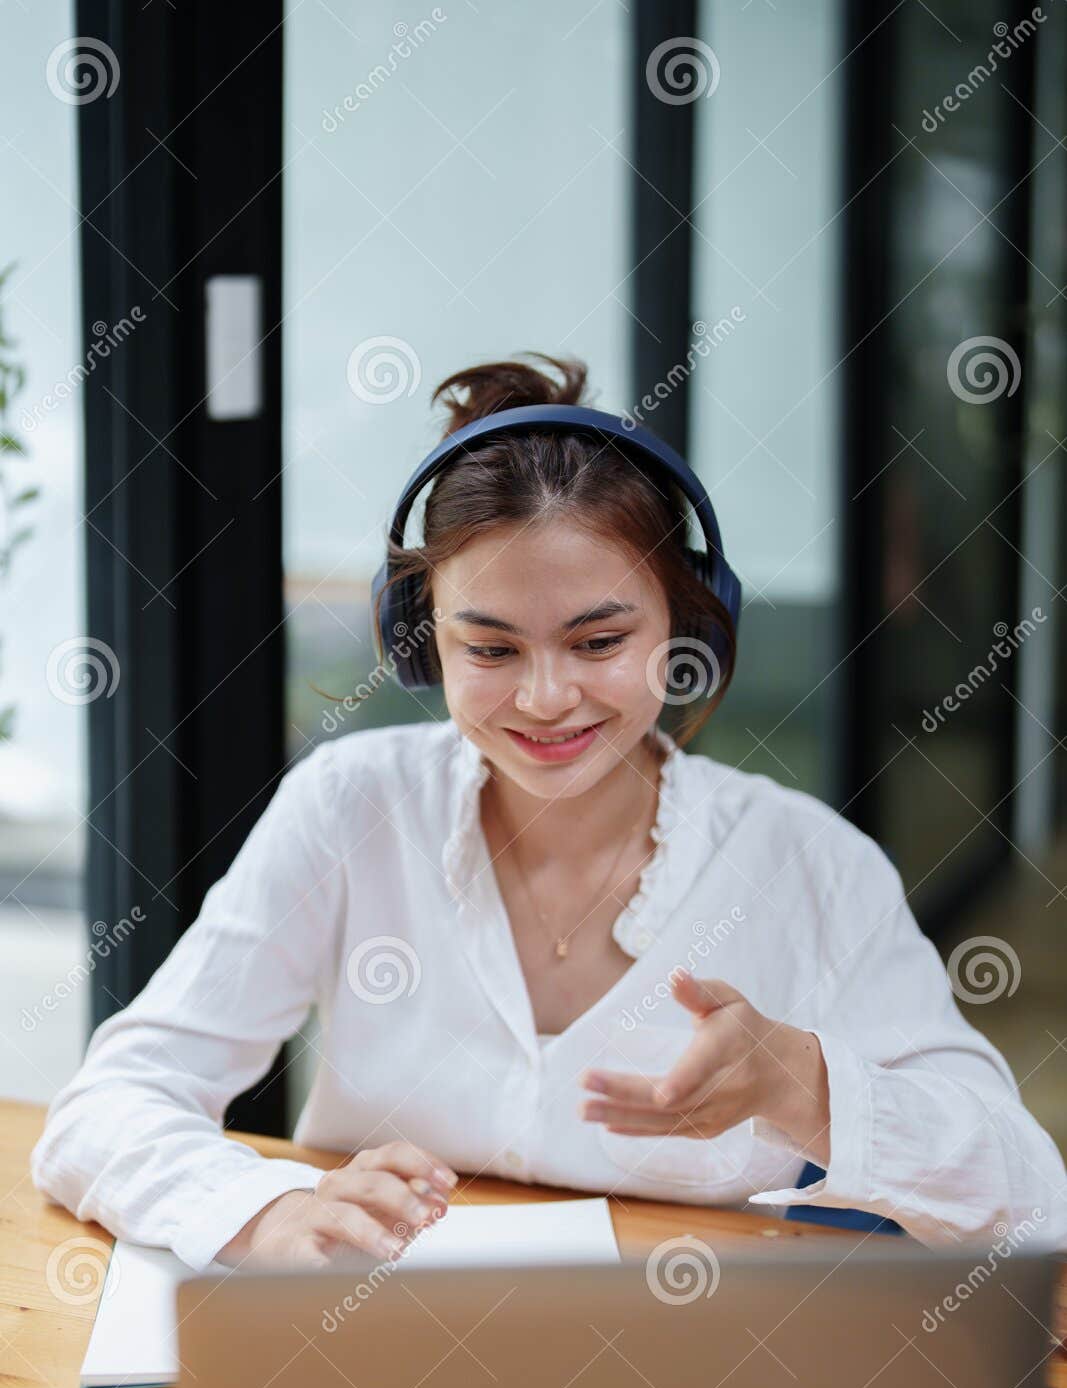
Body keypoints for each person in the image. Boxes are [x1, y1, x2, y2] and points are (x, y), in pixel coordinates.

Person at [31, 354, 1067, 1270]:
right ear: (417, 642)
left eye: (597, 642)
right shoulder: (351, 805)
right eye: (488, 649)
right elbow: (105, 1107)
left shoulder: (807, 864)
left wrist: (807, 1085)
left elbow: (1030, 1210)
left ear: (686, 625)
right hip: (373, 1367)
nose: (542, 699)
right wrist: (260, 1209)